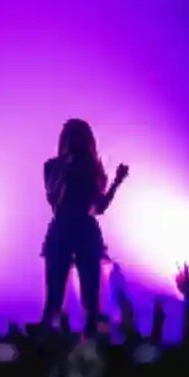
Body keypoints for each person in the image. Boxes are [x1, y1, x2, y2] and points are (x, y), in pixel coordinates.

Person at [41, 118, 128, 332]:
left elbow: (99, 207)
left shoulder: (90, 168)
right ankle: (52, 337)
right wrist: (67, 169)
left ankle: (87, 338)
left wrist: (115, 182)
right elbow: (53, 197)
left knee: (88, 301)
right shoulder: (54, 167)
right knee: (56, 298)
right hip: (67, 228)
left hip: (78, 229)